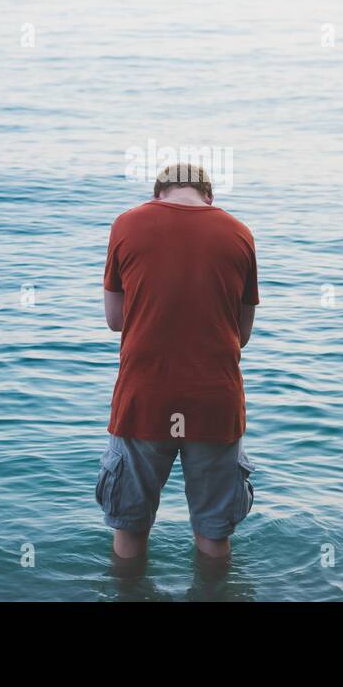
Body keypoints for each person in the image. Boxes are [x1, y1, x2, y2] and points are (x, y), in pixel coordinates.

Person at [97, 161, 259, 560]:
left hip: (144, 400)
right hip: (214, 404)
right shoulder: (239, 234)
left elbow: (115, 321)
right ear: (209, 197)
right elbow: (243, 335)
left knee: (130, 531)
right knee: (213, 535)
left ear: (157, 194)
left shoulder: (127, 225)